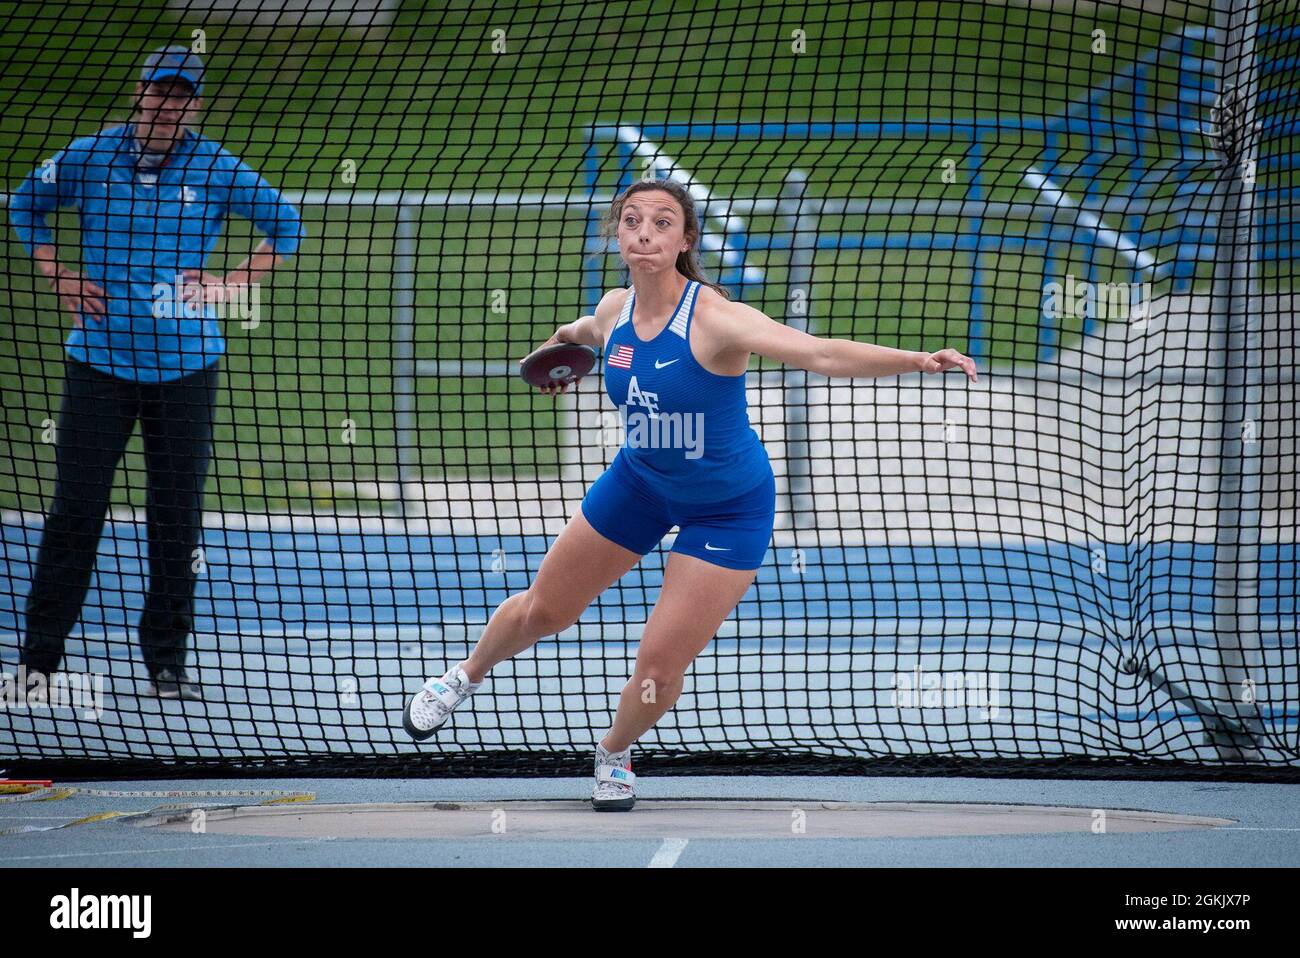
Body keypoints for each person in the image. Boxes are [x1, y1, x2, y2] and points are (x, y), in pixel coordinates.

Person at [403, 178, 976, 810]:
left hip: (728, 508)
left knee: (657, 667)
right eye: (631, 221)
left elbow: (821, 355)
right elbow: (579, 332)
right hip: (640, 484)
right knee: (546, 609)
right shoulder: (614, 309)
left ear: (685, 241)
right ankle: (461, 677)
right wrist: (552, 358)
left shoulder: (716, 319)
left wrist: (918, 360)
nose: (644, 231)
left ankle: (615, 753)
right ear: (618, 237)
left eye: (661, 222)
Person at [7, 45, 304, 700]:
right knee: (74, 513)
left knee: (175, 519)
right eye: (159, 92)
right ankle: (37, 665)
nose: (168, 105)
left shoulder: (216, 166)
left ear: (194, 104)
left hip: (186, 370)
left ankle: (167, 662)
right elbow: (24, 206)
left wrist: (228, 286)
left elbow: (286, 225)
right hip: (99, 365)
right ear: (138, 91)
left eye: (182, 95)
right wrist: (57, 272)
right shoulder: (88, 158)